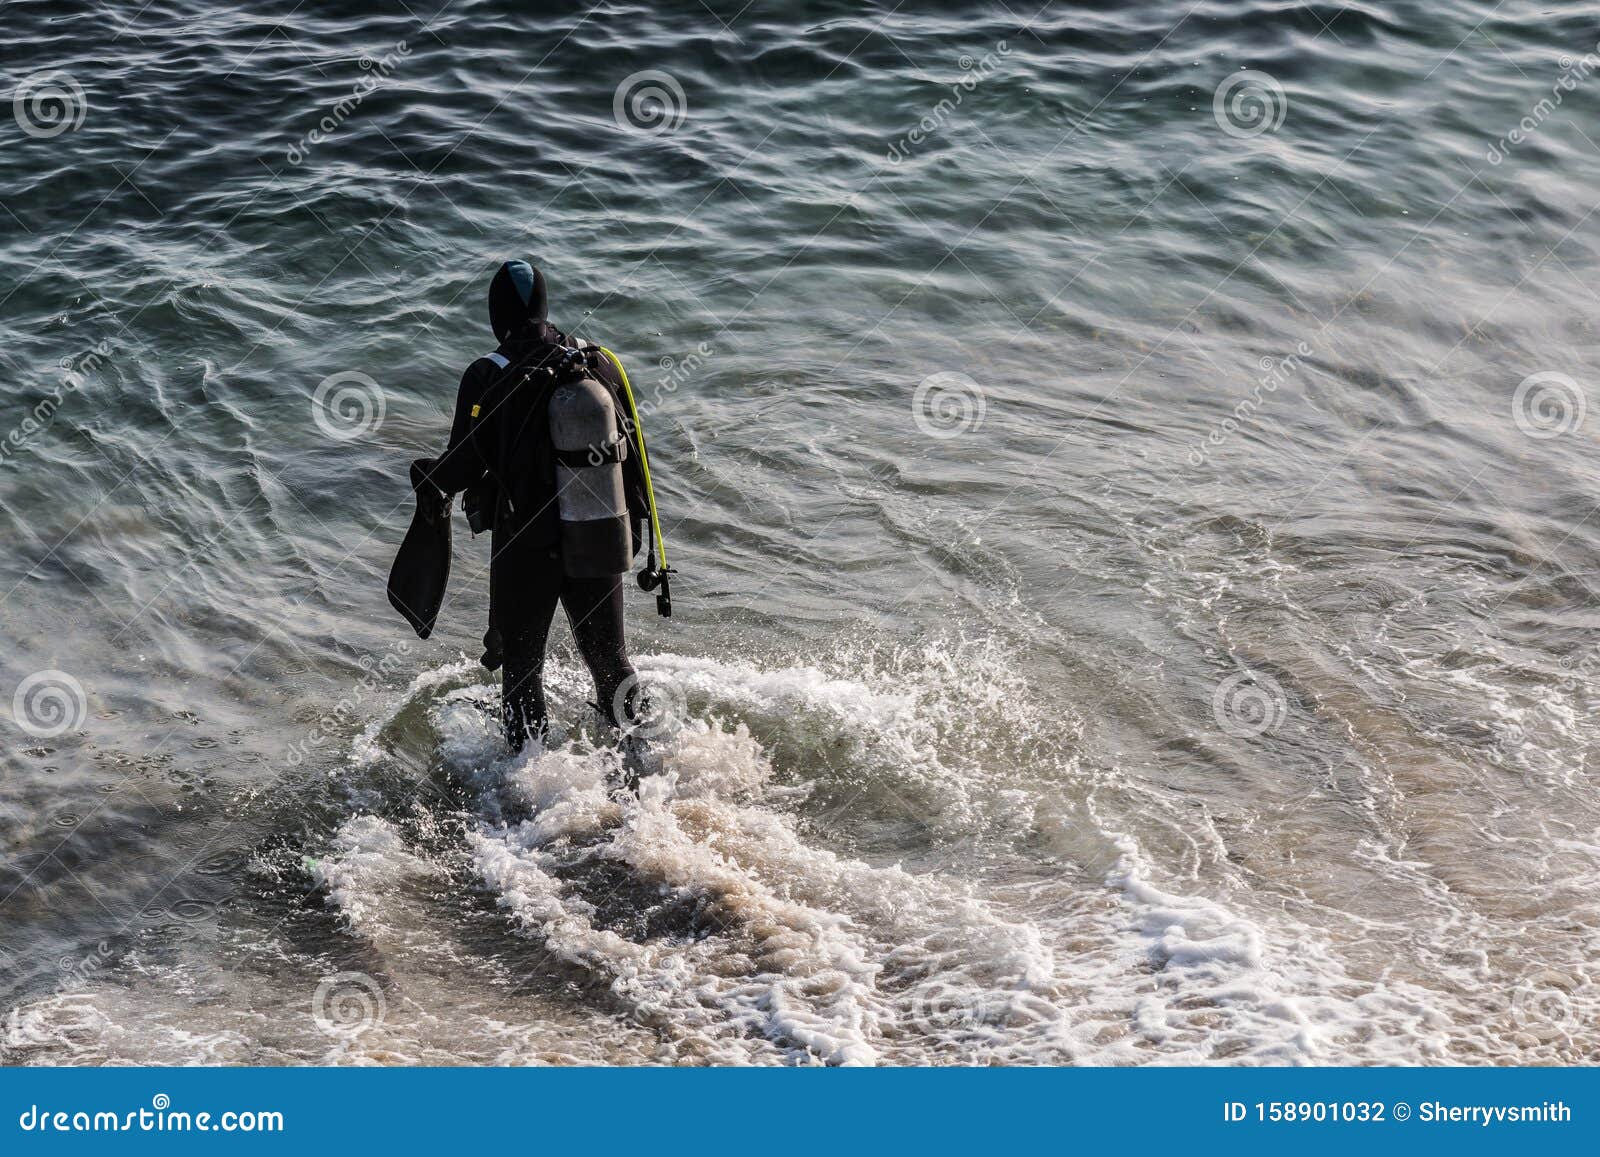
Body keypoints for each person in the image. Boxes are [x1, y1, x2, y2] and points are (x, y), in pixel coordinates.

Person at [416, 259, 654, 751]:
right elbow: (635, 458)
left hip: (525, 543)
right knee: (612, 662)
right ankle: (647, 756)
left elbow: (462, 467)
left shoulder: (487, 374)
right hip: (597, 531)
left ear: (495, 314)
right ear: (546, 306)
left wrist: (426, 477)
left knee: (523, 672)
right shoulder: (599, 362)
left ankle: (529, 788)